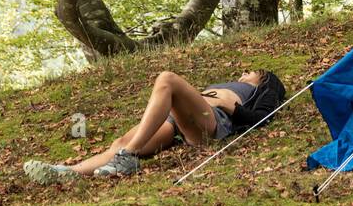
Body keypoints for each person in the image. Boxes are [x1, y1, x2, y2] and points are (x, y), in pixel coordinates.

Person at [23, 69, 273, 184]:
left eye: (249, 72)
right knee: (122, 142)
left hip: (212, 120)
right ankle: (69, 172)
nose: (242, 74)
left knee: (167, 79)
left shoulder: (260, 89)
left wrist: (228, 106)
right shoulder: (231, 83)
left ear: (262, 79)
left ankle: (127, 158)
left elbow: (262, 117)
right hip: (178, 124)